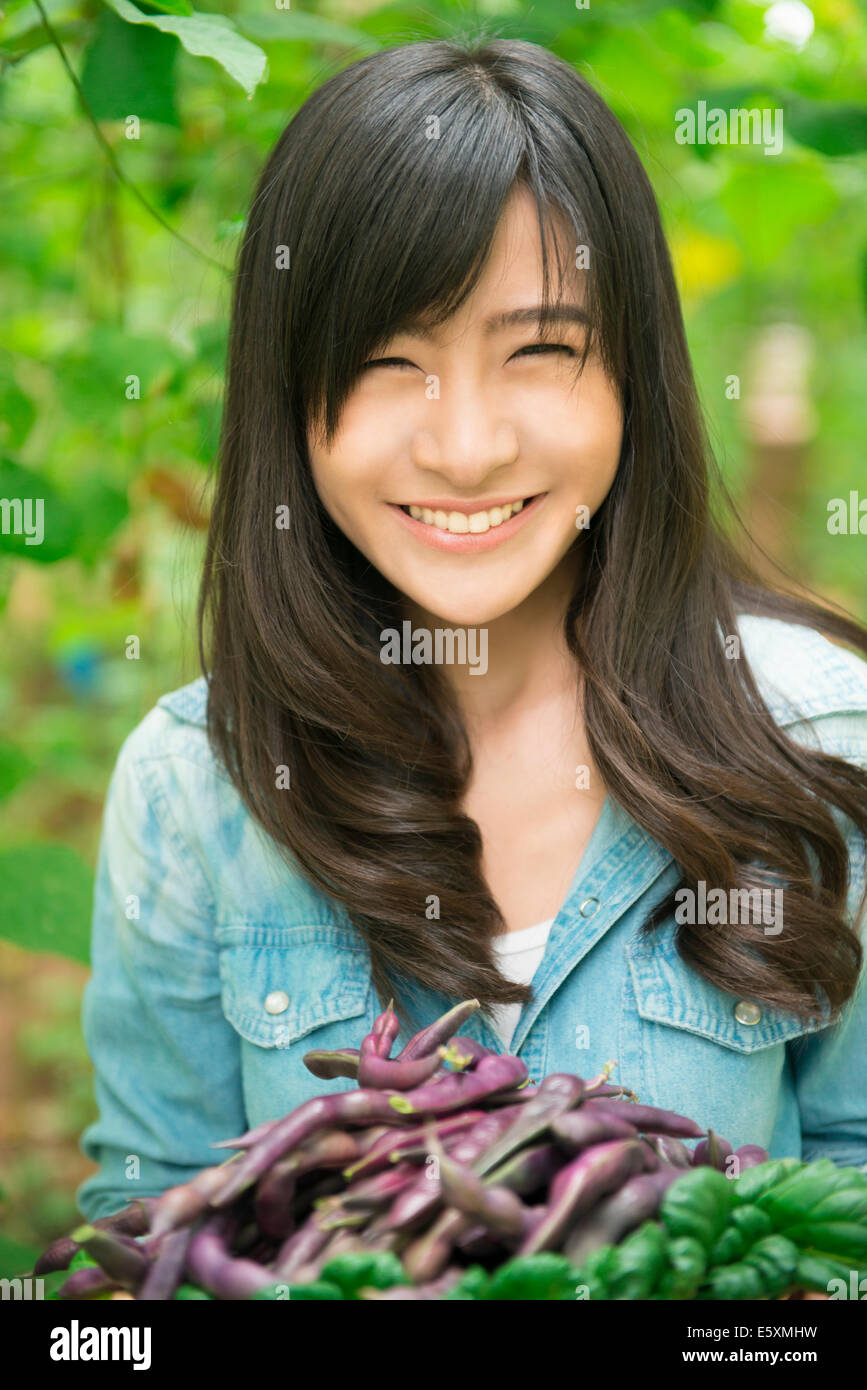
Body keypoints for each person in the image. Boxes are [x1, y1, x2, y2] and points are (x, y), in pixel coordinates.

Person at [77, 37, 867, 1221]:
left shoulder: (823, 734)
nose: (466, 447)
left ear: (633, 375)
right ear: (291, 400)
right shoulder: (193, 793)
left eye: (541, 349)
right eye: (388, 360)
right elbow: (150, 1233)